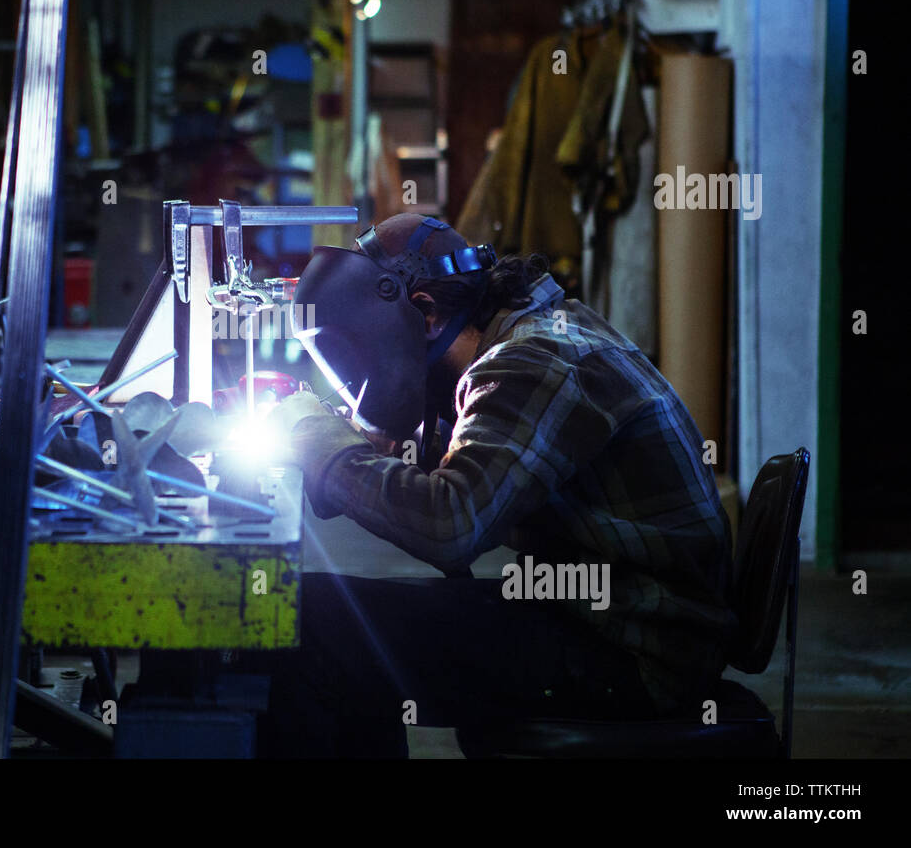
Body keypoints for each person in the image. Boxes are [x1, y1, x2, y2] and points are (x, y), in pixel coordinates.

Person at [261, 212, 736, 758]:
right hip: (605, 619)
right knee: (344, 621)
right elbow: (472, 458)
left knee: (305, 621)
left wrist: (313, 437)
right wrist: (353, 437)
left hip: (634, 655)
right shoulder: (532, 333)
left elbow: (451, 524)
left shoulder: (534, 361)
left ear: (425, 313)